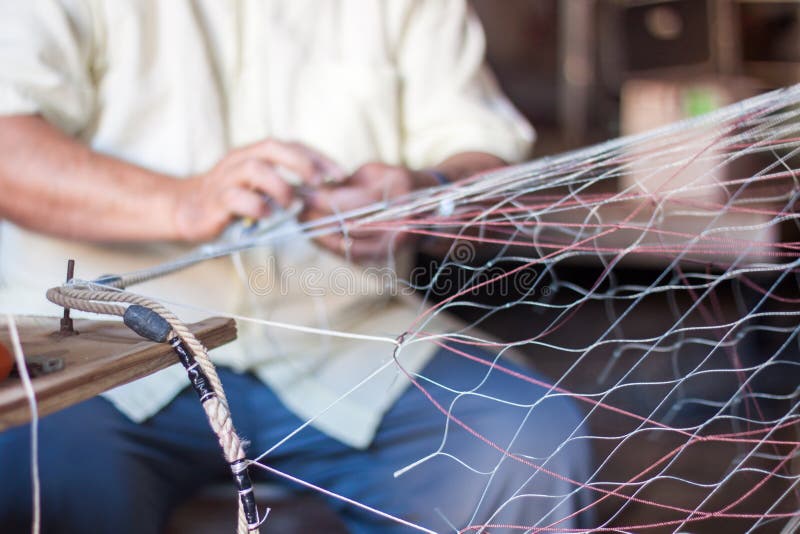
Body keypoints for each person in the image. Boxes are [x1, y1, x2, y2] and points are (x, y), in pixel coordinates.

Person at [0, 1, 594, 532]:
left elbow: (485, 158)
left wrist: (422, 189)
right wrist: (183, 203)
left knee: (528, 443)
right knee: (38, 475)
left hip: (354, 342)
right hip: (110, 354)